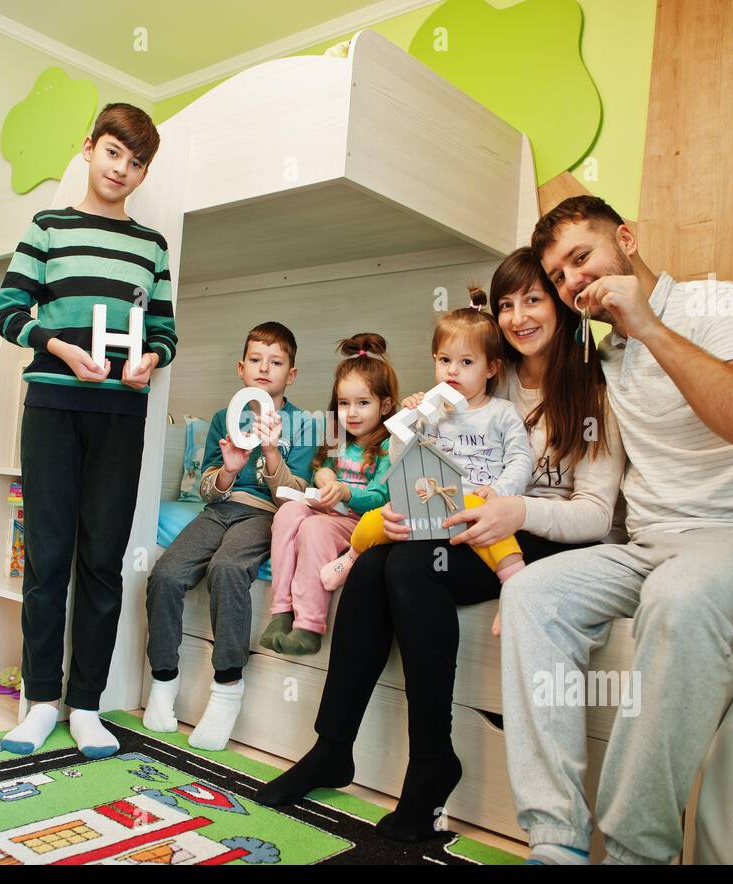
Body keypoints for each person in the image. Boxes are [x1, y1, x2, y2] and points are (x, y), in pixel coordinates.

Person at [500, 194, 733, 864]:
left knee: (681, 593)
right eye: (559, 276)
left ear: (627, 238)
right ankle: (555, 840)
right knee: (531, 592)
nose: (573, 281)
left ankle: (633, 851)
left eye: (581, 257)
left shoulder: (716, 305)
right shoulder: (602, 357)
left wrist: (648, 326)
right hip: (649, 549)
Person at [254, 258, 623, 842]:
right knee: (376, 561)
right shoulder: (483, 377)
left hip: (548, 536)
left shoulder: (592, 390)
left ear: (561, 305)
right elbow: (427, 460)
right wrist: (402, 501)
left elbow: (597, 515)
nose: (517, 316)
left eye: (533, 300)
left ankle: (431, 762)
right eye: (506, 304)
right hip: (465, 517)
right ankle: (332, 747)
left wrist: (514, 511)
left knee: (408, 566)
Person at [0, 103, 175, 758]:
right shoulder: (47, 228)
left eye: (136, 162)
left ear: (144, 172)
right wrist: (59, 349)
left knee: (102, 560)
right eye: (113, 152)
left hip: (120, 416)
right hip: (52, 408)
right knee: (47, 558)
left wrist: (150, 359)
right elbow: (7, 310)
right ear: (89, 148)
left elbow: (164, 331)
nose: (121, 169)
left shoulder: (152, 247)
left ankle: (86, 705)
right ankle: (41, 701)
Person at [143, 322, 318, 750]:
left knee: (227, 568)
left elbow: (294, 497)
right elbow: (207, 489)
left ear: (291, 374)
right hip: (220, 509)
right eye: (256, 360)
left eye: (276, 362)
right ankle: (163, 680)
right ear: (241, 368)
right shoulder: (225, 417)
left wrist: (271, 451)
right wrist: (229, 470)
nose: (264, 369)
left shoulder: (304, 424)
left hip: (265, 514)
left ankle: (227, 687)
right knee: (165, 574)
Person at [319, 289, 533, 590]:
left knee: (499, 539)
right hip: (426, 502)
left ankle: (514, 580)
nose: (452, 370)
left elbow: (521, 460)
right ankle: (352, 557)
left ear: (492, 367)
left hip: (476, 502)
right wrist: (408, 422)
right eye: (445, 360)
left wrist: (499, 492)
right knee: (373, 520)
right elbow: (399, 461)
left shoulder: (502, 413)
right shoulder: (430, 412)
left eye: (467, 362)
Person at [261, 332, 399, 657]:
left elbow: (380, 496)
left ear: (385, 405)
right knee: (287, 512)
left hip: (360, 523)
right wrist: (323, 475)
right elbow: (321, 471)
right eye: (344, 403)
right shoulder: (338, 437)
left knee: (314, 527)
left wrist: (346, 492)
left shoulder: (388, 445)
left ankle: (308, 625)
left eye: (363, 403)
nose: (352, 413)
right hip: (329, 511)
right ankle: (281, 611)